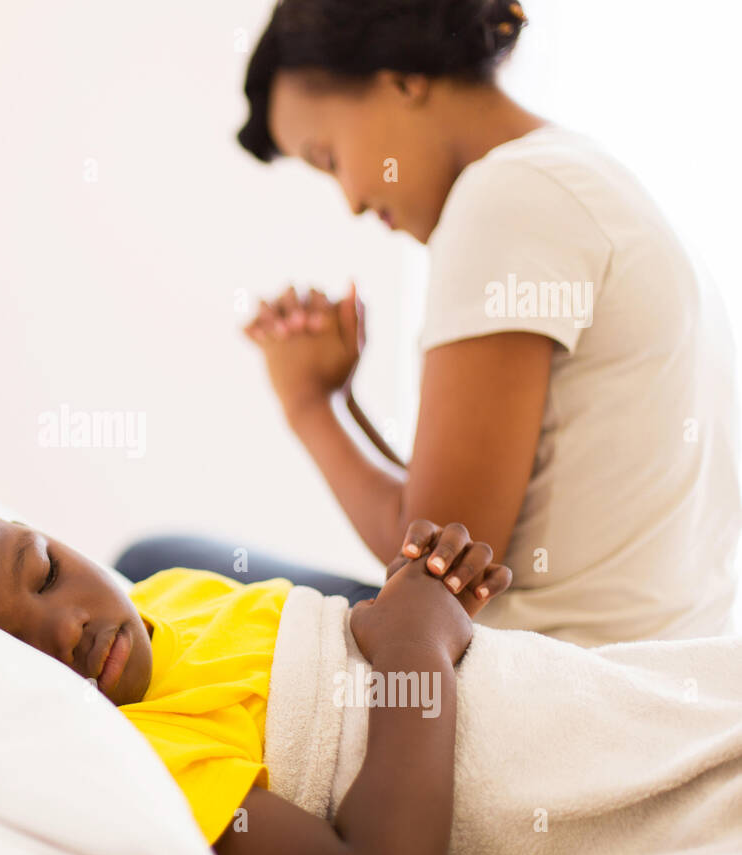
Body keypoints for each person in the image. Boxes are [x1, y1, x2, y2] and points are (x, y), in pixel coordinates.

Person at [117, 0, 742, 647]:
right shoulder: (578, 175)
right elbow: (474, 524)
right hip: (648, 674)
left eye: (329, 157)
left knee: (150, 569)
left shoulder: (507, 197)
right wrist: (341, 400)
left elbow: (433, 575)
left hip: (546, 676)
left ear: (403, 77)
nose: (354, 200)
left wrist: (307, 405)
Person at [0, 492, 511, 855]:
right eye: (13, 652)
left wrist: (417, 595)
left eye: (44, 573)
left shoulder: (172, 591)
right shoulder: (138, 759)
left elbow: (343, 643)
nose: (65, 627)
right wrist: (415, 647)